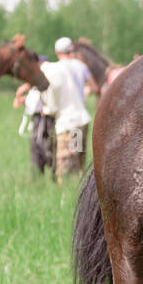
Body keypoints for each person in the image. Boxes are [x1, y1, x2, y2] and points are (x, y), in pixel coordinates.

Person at [40, 38, 93, 182]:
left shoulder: (53, 68)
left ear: (57, 52)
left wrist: (49, 108)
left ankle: (65, 194)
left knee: (66, 165)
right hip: (82, 118)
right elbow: (92, 86)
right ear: (71, 50)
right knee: (79, 162)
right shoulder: (81, 66)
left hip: (68, 122)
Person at [14, 56, 55, 176]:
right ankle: (38, 173)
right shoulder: (35, 84)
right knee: (37, 146)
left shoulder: (45, 80)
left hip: (45, 118)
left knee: (45, 146)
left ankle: (51, 172)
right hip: (37, 118)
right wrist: (22, 95)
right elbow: (23, 101)